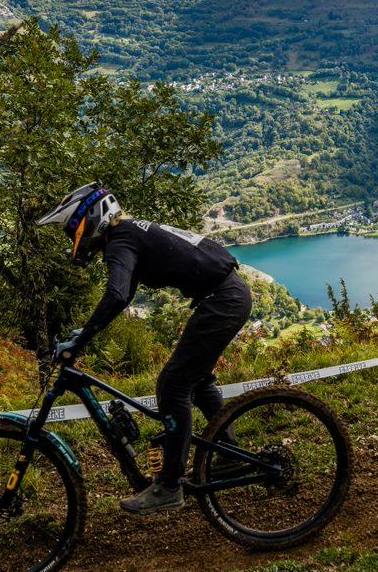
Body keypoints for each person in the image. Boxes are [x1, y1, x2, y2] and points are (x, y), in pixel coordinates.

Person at [38, 182, 252, 515]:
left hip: (223, 300)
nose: (72, 240)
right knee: (194, 380)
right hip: (227, 295)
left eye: (71, 231)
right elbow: (121, 296)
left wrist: (80, 341)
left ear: (89, 220)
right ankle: (228, 454)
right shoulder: (129, 234)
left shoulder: (119, 242)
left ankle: (169, 487)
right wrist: (86, 332)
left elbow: (116, 296)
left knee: (172, 385)